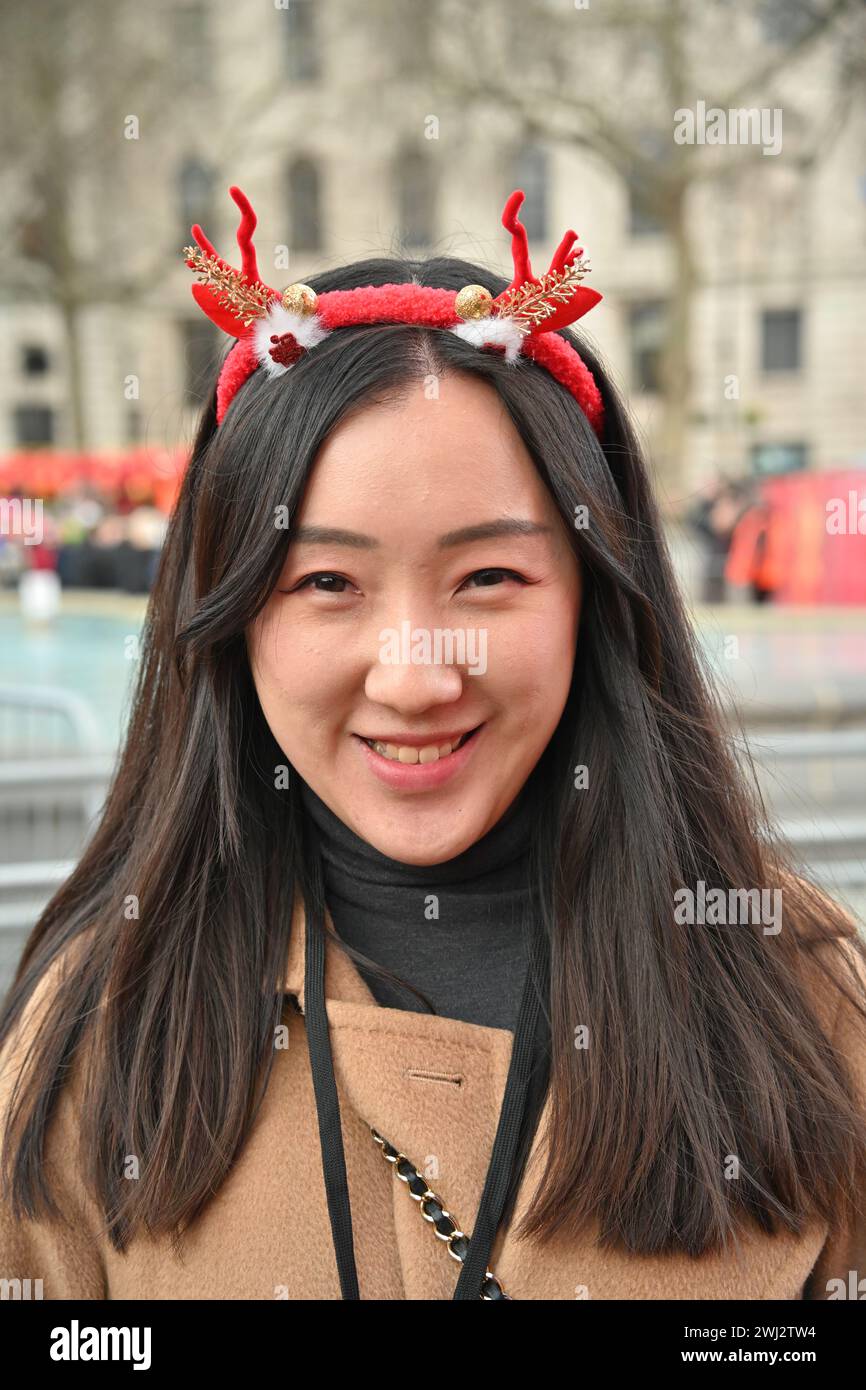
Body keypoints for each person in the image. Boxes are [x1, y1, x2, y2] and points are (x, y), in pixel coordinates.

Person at [1, 186, 864, 1302]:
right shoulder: (96, 1033)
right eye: (325, 583)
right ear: (229, 617)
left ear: (596, 596)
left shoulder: (800, 993)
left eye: (488, 577)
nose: (413, 675)